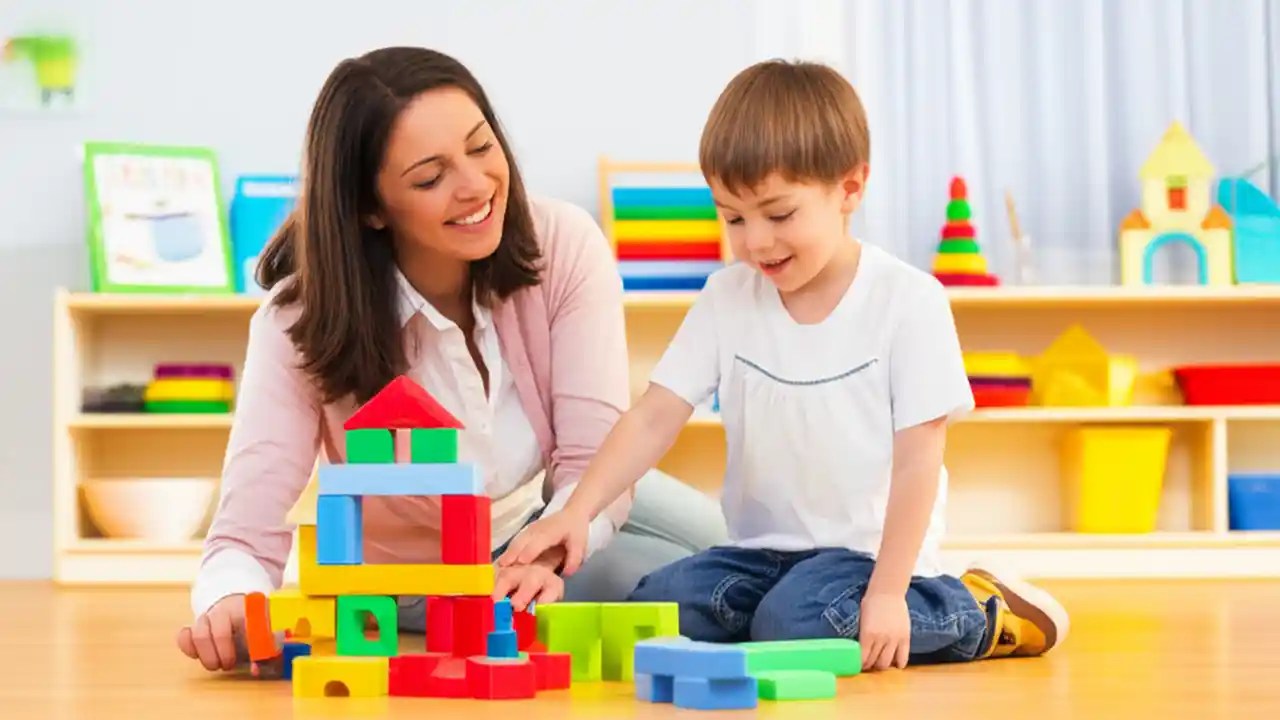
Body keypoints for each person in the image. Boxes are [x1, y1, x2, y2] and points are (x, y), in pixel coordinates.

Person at [498, 59, 1069, 671]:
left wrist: (886, 593)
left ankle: (975, 608)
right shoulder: (727, 298)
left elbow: (918, 465)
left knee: (797, 621)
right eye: (733, 217)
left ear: (850, 188)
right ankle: (786, 620)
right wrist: (577, 512)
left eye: (779, 214)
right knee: (660, 605)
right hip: (762, 552)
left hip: (871, 557)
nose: (755, 243)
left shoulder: (907, 300)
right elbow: (653, 418)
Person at [174, 46, 728, 673]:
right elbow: (246, 528)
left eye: (481, 146)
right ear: (370, 207)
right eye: (430, 177)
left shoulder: (563, 247)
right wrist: (229, 601)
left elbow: (590, 455)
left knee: (738, 552)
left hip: (555, 506)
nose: (475, 187)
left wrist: (550, 546)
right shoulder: (298, 321)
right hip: (424, 574)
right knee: (684, 595)